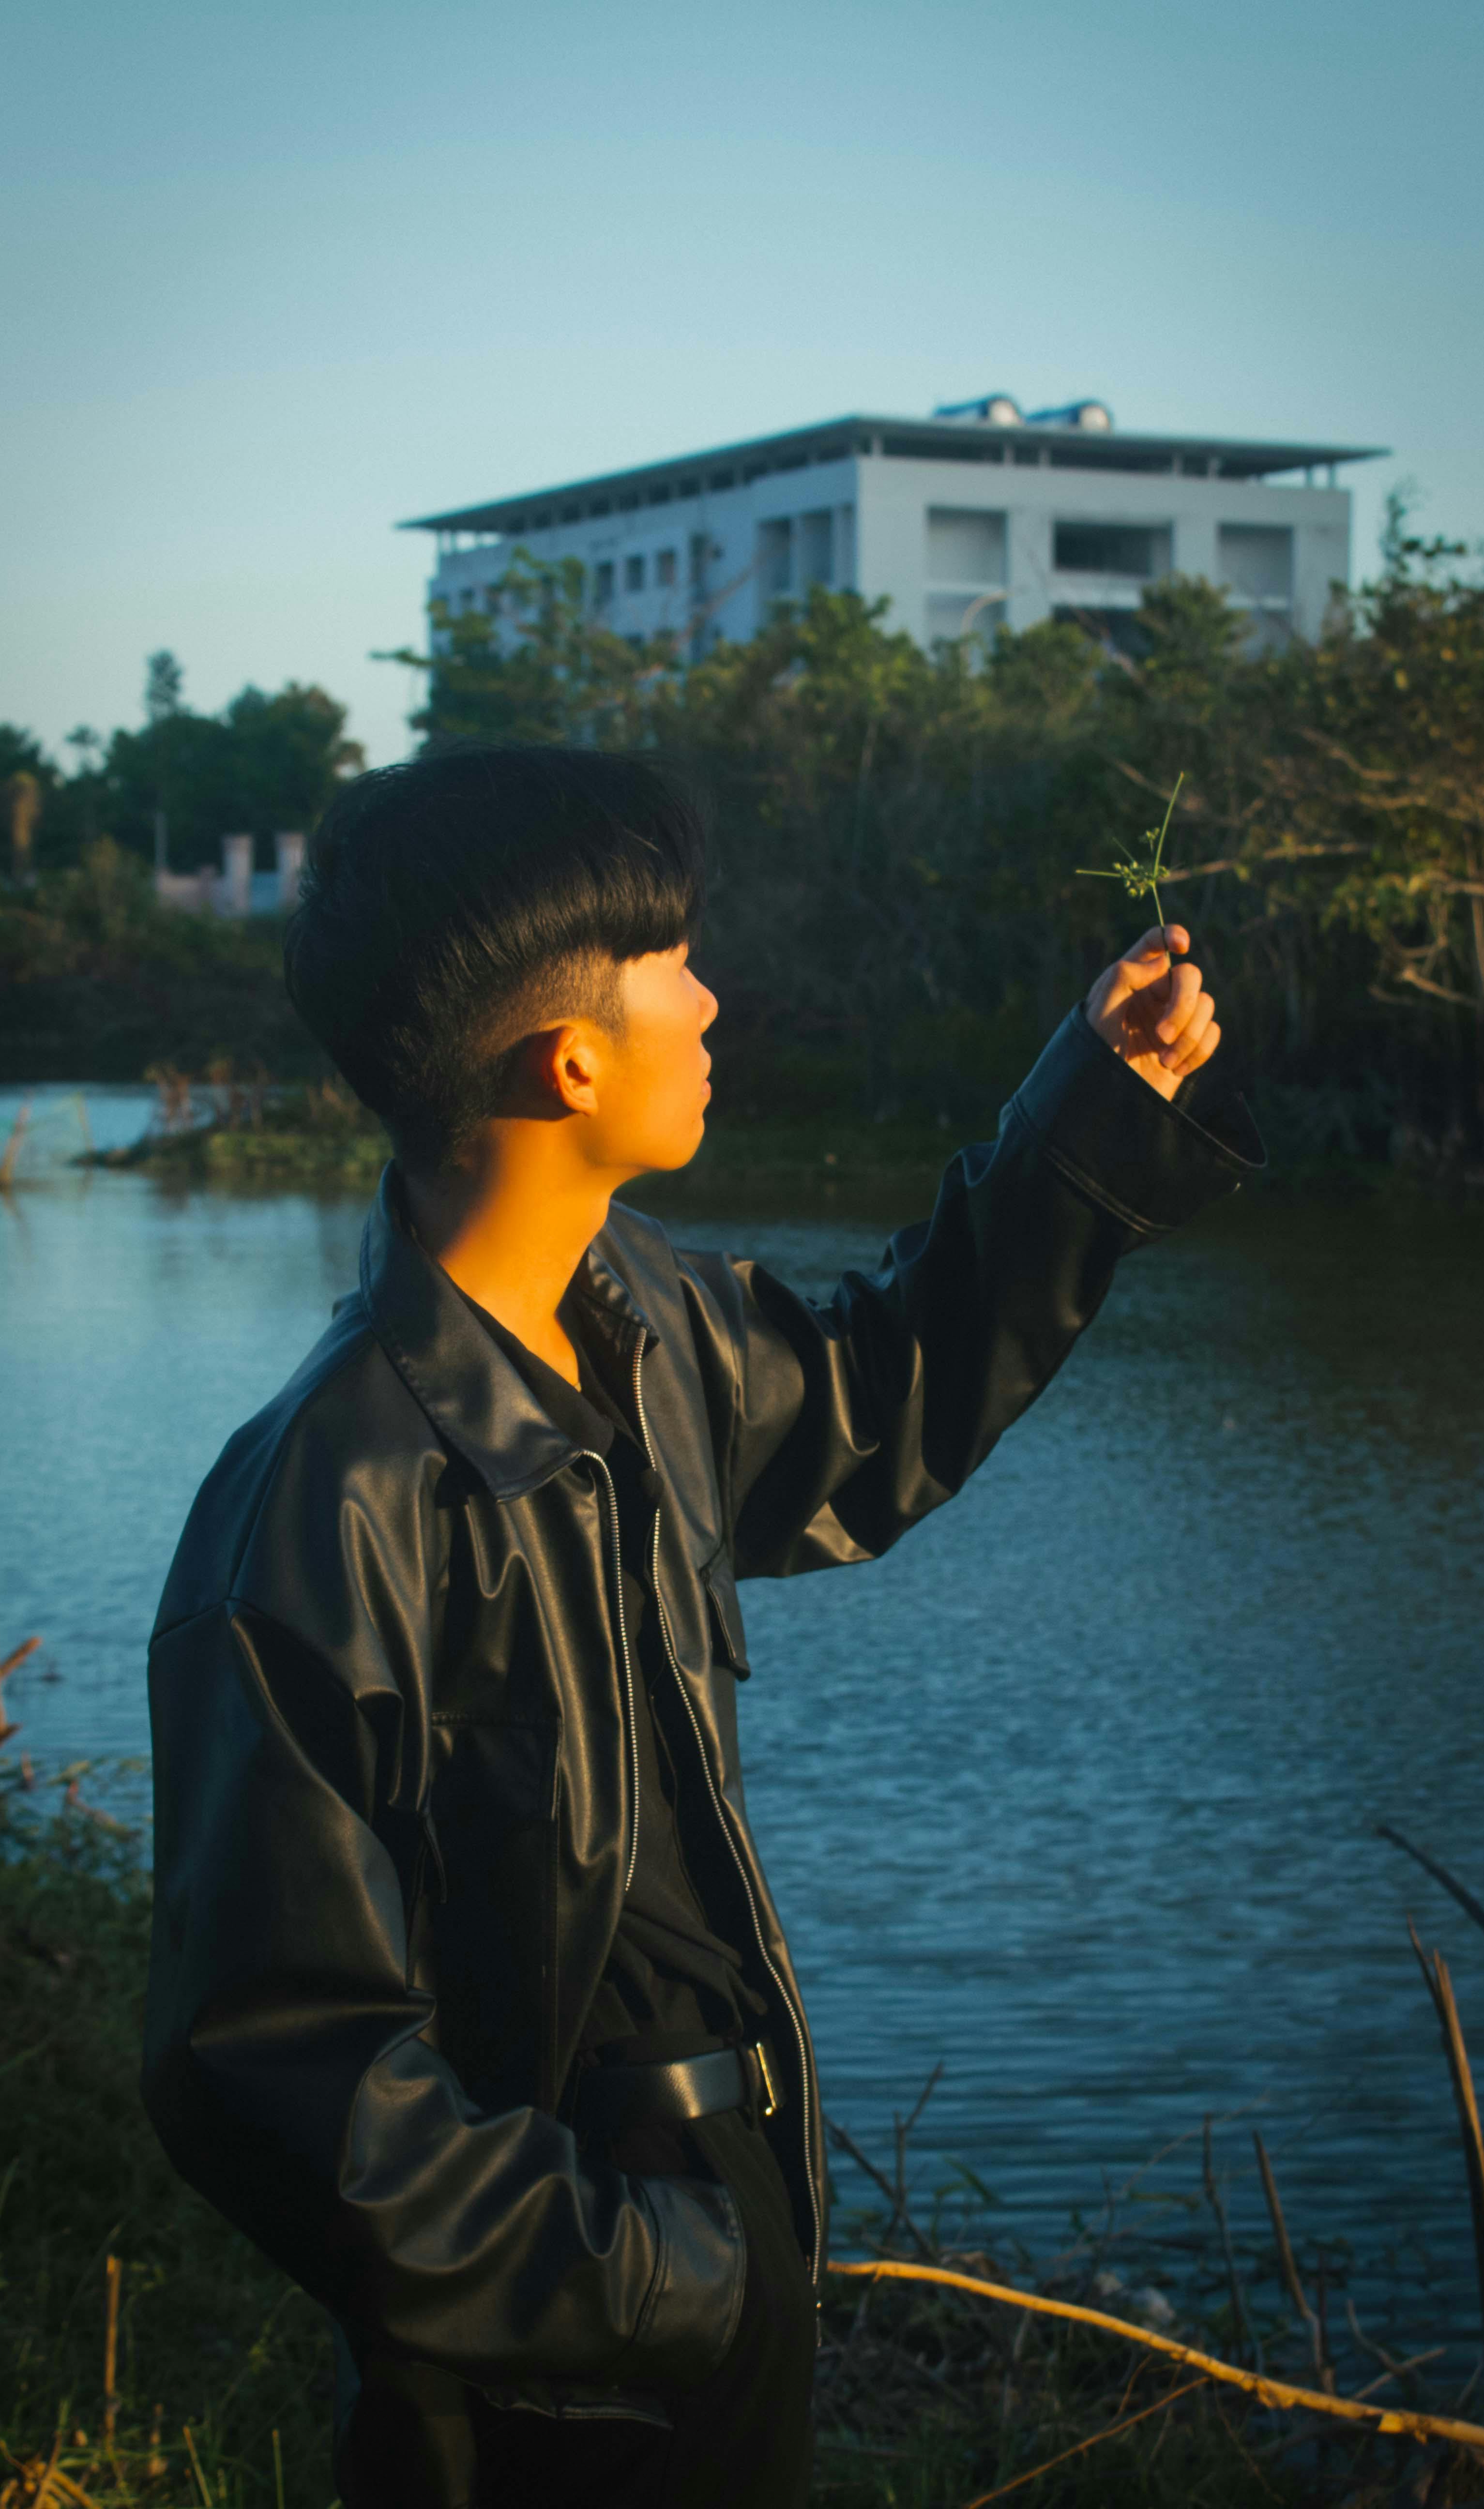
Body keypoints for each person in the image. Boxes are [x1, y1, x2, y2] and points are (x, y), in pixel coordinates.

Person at [141, 744, 1261, 2508]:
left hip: (712, 2248)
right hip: (548, 2369)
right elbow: (274, 2064)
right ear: (570, 1060)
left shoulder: (644, 1319)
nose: (713, 993)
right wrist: (665, 2278)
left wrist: (1091, 1107)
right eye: (674, 960)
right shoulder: (325, 1503)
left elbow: (878, 1402)